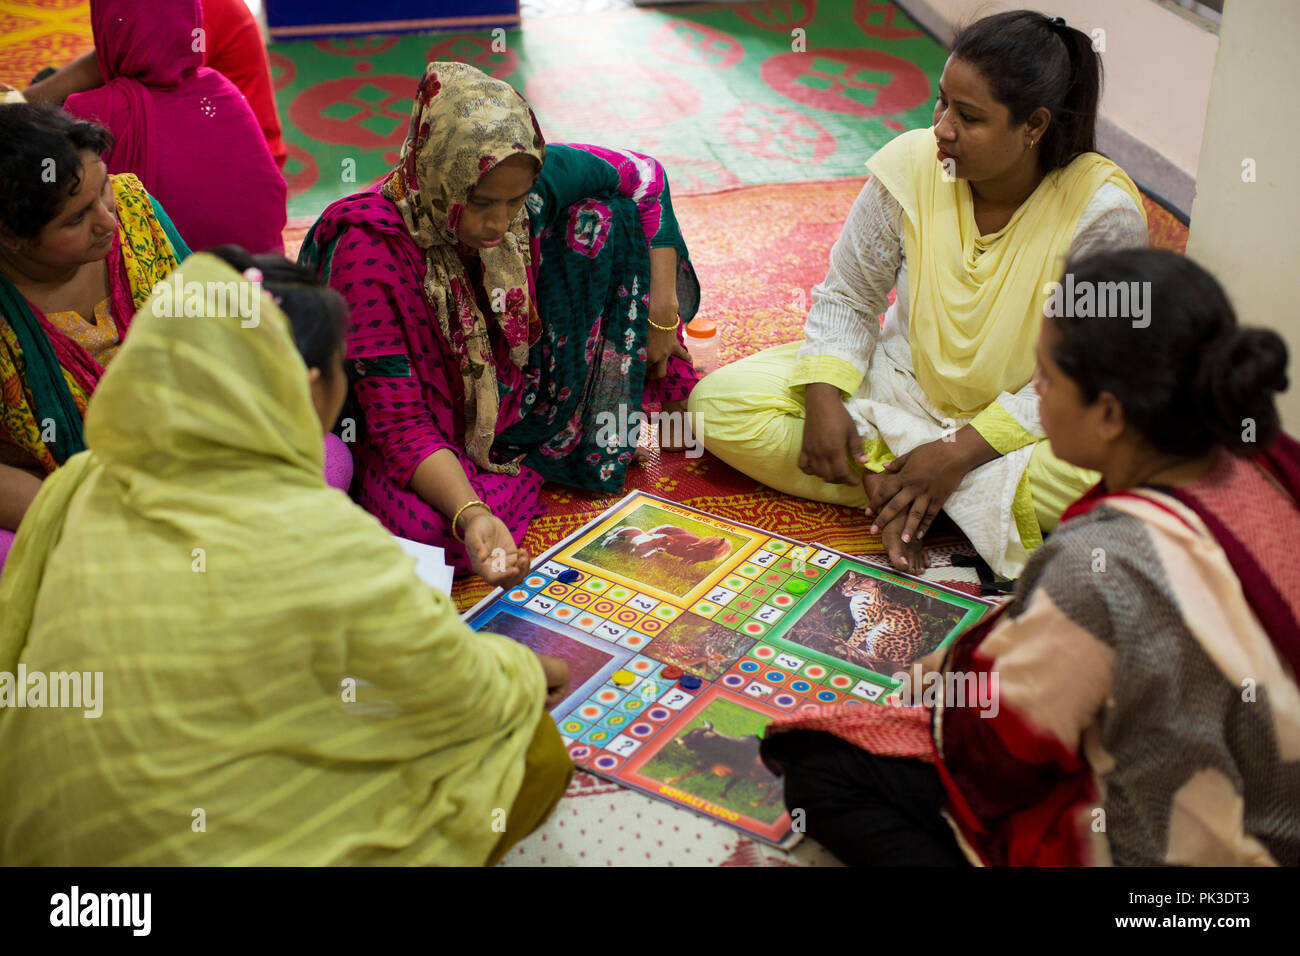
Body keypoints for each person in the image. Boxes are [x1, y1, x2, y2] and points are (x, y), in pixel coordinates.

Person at [0, 251, 573, 865]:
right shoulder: (324, 537)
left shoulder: (80, 484)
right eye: (339, 367)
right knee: (533, 750)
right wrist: (537, 669)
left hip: (45, 841)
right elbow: (465, 688)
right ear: (306, 388)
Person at [760, 250, 1300, 867]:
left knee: (823, 770)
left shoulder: (1101, 563)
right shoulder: (1269, 455)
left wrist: (942, 678)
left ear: (1109, 414)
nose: (1032, 395)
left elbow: (1002, 747)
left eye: (1044, 378)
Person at [689, 10, 1148, 580]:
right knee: (718, 407)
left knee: (1118, 477)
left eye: (970, 117)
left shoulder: (1100, 211)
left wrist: (955, 454)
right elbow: (849, 297)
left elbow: (1086, 376)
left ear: (1033, 125)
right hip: (904, 386)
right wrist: (826, 396)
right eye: (942, 101)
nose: (942, 128)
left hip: (1023, 420)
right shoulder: (913, 163)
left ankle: (906, 488)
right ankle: (928, 491)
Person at [300, 61, 700, 587]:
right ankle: (518, 463)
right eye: (481, 203)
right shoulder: (370, 250)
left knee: (606, 215)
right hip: (416, 423)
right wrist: (471, 512)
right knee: (429, 537)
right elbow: (398, 425)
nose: (497, 223)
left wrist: (661, 317)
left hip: (515, 389)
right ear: (437, 171)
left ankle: (582, 410)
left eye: (514, 202)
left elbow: (644, 174)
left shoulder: (520, 180)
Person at [0, 103, 190, 567]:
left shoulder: (135, 210)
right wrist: (81, 514)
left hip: (186, 452)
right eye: (75, 219)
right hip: (57, 489)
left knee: (325, 454)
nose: (108, 220)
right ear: (11, 236)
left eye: (103, 187)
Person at [60, 0, 286, 254]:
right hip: (261, 276)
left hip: (169, 286)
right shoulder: (222, 89)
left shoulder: (88, 112)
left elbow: (62, 214)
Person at [22, 0, 289, 172]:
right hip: (208, 129)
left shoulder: (190, 12)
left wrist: (21, 103)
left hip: (239, 161)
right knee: (53, 95)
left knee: (62, 140)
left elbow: (152, 86)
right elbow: (105, 58)